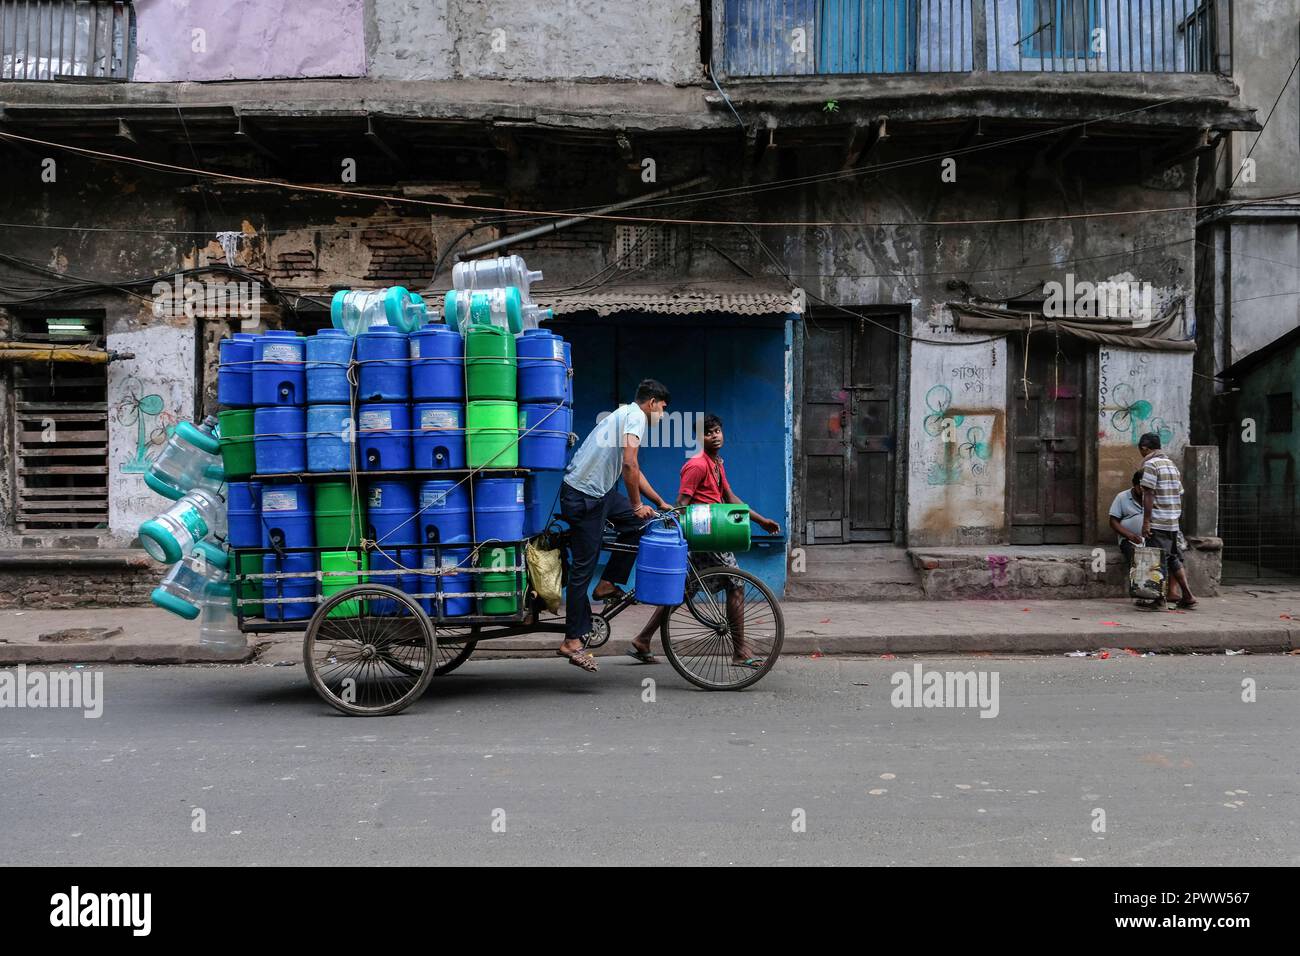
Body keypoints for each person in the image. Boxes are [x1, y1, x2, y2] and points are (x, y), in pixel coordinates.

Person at [625, 413, 780, 667]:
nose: (715, 435)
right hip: (707, 536)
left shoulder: (717, 463)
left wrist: (759, 520)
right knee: (736, 584)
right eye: (708, 433)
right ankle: (741, 652)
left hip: (711, 533)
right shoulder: (696, 466)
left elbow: (729, 498)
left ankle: (643, 638)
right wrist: (686, 535)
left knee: (684, 591)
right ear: (699, 439)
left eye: (717, 430)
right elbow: (682, 506)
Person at [556, 379, 672, 672]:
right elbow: (629, 465)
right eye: (663, 407)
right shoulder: (635, 416)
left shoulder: (625, 415)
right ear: (652, 402)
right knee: (584, 565)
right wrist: (635, 504)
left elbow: (636, 470)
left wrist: (658, 502)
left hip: (600, 494)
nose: (663, 413)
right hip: (584, 496)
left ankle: (608, 583)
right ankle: (571, 640)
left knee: (638, 524)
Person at [1137, 432, 1197, 610]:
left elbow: (1149, 493)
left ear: (1145, 448)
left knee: (1158, 559)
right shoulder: (1171, 465)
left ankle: (1159, 599)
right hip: (1172, 521)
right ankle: (1187, 595)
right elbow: (1179, 492)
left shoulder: (1151, 465)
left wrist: (1146, 521)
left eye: (1140, 450)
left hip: (1158, 521)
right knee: (1172, 558)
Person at [1109, 470, 1146, 584]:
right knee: (1135, 556)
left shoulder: (1153, 496)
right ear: (1135, 485)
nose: (1145, 490)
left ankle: (1154, 589)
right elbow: (1113, 521)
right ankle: (1139, 588)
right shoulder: (1122, 497)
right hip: (1129, 540)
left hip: (1149, 538)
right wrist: (1130, 535)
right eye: (1142, 487)